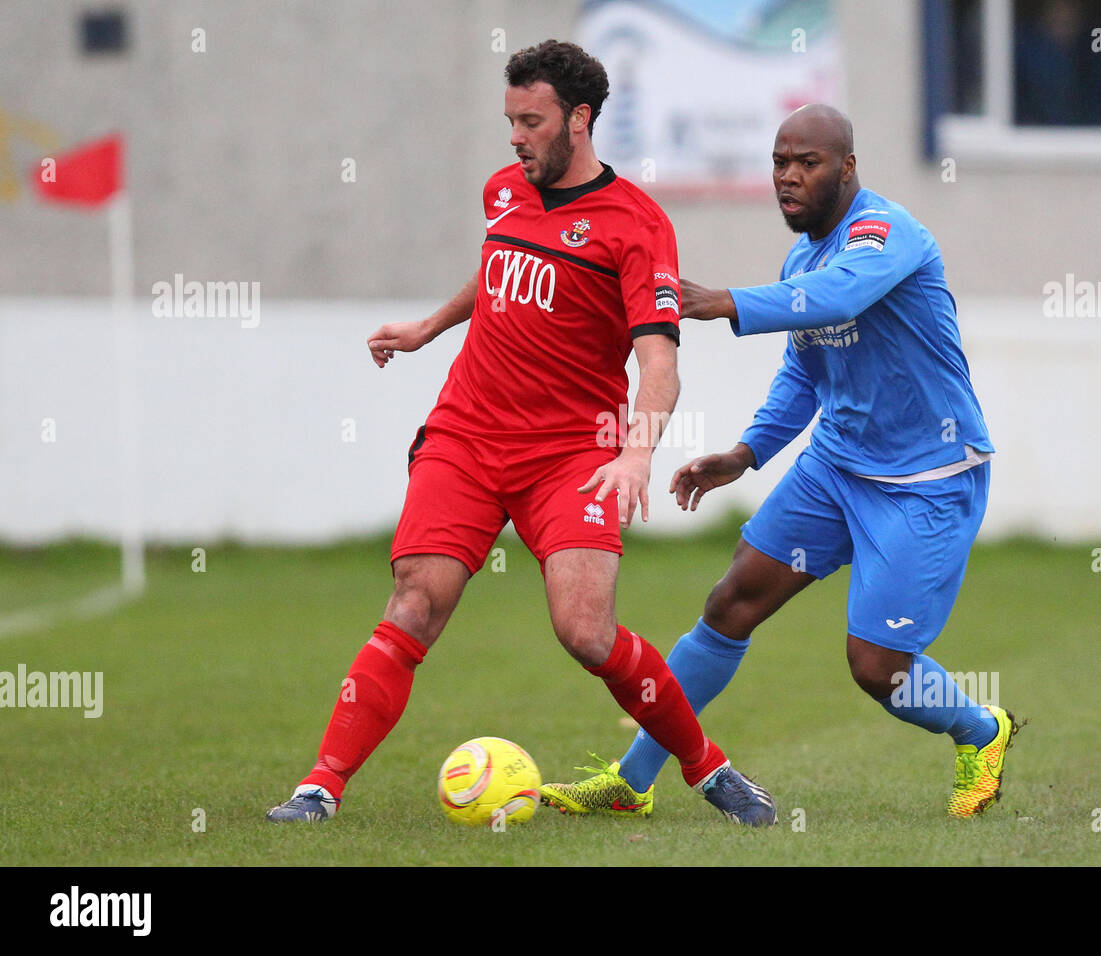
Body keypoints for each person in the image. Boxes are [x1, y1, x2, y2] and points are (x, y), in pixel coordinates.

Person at [266, 40, 775, 827]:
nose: (515, 137)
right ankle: (319, 788)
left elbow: (659, 361)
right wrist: (431, 327)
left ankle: (707, 768)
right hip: (465, 436)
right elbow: (500, 263)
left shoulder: (638, 227)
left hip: (572, 455)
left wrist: (636, 452)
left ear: (579, 120)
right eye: (509, 120)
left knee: (586, 632)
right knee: (414, 603)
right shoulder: (506, 190)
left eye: (530, 121)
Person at [541, 104, 1022, 820]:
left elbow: (843, 294)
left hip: (928, 480)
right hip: (837, 468)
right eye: (779, 163)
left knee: (878, 668)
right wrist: (745, 453)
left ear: (848, 168)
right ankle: (631, 781)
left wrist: (726, 301)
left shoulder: (887, 234)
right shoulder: (802, 256)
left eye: (808, 163)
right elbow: (805, 372)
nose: (789, 178)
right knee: (731, 602)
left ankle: (982, 732)